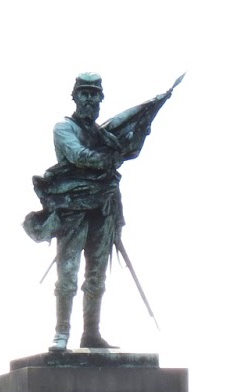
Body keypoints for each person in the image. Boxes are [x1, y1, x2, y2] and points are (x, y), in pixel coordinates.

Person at [23, 73, 175, 351]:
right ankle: (62, 332)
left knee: (96, 276)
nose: (90, 98)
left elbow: (129, 149)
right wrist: (108, 159)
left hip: (104, 207)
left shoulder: (106, 134)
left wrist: (139, 128)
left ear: (101, 99)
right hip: (73, 207)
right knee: (67, 273)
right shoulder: (63, 128)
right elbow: (78, 155)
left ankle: (91, 333)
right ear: (75, 96)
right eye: (85, 93)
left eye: (95, 94)